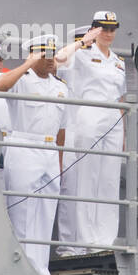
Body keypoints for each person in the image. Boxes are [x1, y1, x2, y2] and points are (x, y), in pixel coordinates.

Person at [0, 34, 69, 275]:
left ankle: (40, 269)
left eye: (53, 54)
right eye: (45, 54)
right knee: (23, 212)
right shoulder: (20, 79)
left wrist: (58, 163)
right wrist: (28, 63)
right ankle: (22, 268)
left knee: (46, 212)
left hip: (49, 151)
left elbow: (61, 132)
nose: (51, 59)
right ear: (33, 54)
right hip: (24, 146)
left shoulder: (61, 87)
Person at [54, 12, 126, 252]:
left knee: (108, 179)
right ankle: (87, 238)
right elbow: (58, 59)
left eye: (112, 28)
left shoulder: (118, 61)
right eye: (103, 28)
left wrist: (123, 132)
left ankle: (105, 239)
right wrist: (83, 41)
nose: (108, 33)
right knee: (87, 178)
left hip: (112, 117)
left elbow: (121, 97)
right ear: (94, 29)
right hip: (89, 112)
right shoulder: (81, 55)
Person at [55, 26, 88, 254]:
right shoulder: (69, 60)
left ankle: (87, 243)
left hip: (91, 130)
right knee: (69, 189)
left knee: (89, 189)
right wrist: (79, 45)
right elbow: (59, 60)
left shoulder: (99, 63)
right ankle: (68, 246)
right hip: (68, 129)